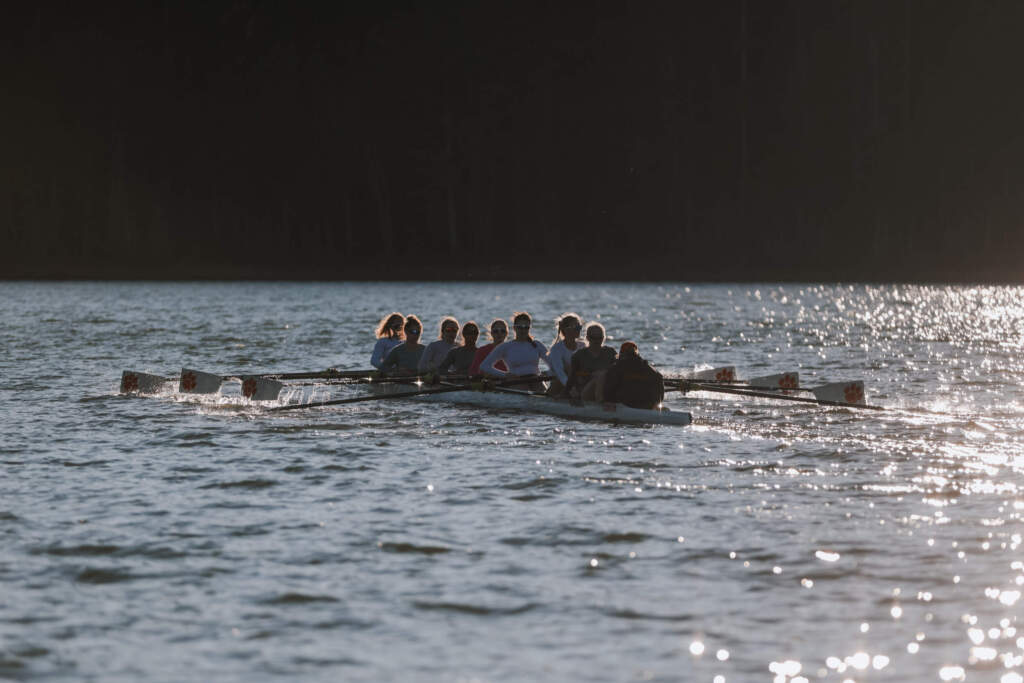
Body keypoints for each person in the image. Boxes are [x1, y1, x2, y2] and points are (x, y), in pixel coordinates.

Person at [479, 311, 550, 390]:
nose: (523, 330)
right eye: (520, 327)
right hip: (516, 381)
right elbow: (484, 366)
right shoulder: (505, 346)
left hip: (536, 379)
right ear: (514, 328)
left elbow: (553, 364)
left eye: (526, 327)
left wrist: (546, 373)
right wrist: (505, 375)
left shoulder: (537, 345)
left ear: (529, 328)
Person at [602, 341, 664, 409]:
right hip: (646, 405)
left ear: (622, 354)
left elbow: (607, 391)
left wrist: (607, 401)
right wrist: (657, 403)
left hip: (625, 405)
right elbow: (659, 377)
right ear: (637, 354)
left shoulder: (617, 368)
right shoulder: (645, 366)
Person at [564, 322, 616, 400]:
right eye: (593, 337)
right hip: (585, 392)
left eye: (599, 337)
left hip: (606, 391)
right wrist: (565, 394)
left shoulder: (611, 353)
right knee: (600, 375)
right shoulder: (579, 355)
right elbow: (571, 379)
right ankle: (601, 404)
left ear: (603, 338)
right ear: (587, 338)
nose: (596, 341)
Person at [545, 312, 584, 396]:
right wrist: (570, 388)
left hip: (577, 382)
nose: (578, 329)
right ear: (566, 329)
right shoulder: (556, 349)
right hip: (559, 384)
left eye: (579, 327)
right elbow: (560, 373)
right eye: (575, 327)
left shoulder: (583, 346)